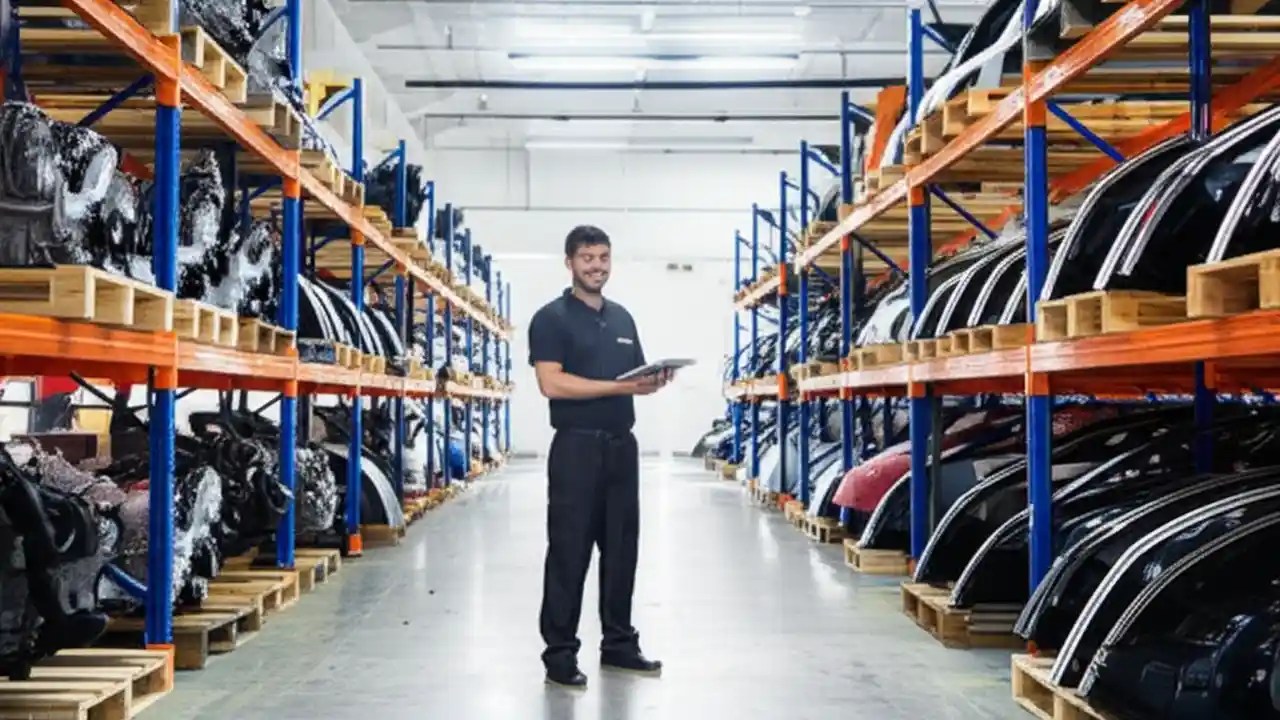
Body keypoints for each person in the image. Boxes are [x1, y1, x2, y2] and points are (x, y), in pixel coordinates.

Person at [527, 225, 672, 689]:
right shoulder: (551, 318)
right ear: (569, 262)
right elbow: (552, 383)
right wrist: (619, 388)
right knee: (569, 551)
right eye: (587, 258)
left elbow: (636, 380)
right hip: (575, 447)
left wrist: (652, 381)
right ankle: (560, 654)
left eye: (604, 257)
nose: (597, 266)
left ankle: (619, 645)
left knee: (621, 548)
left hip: (620, 446)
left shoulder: (624, 318)